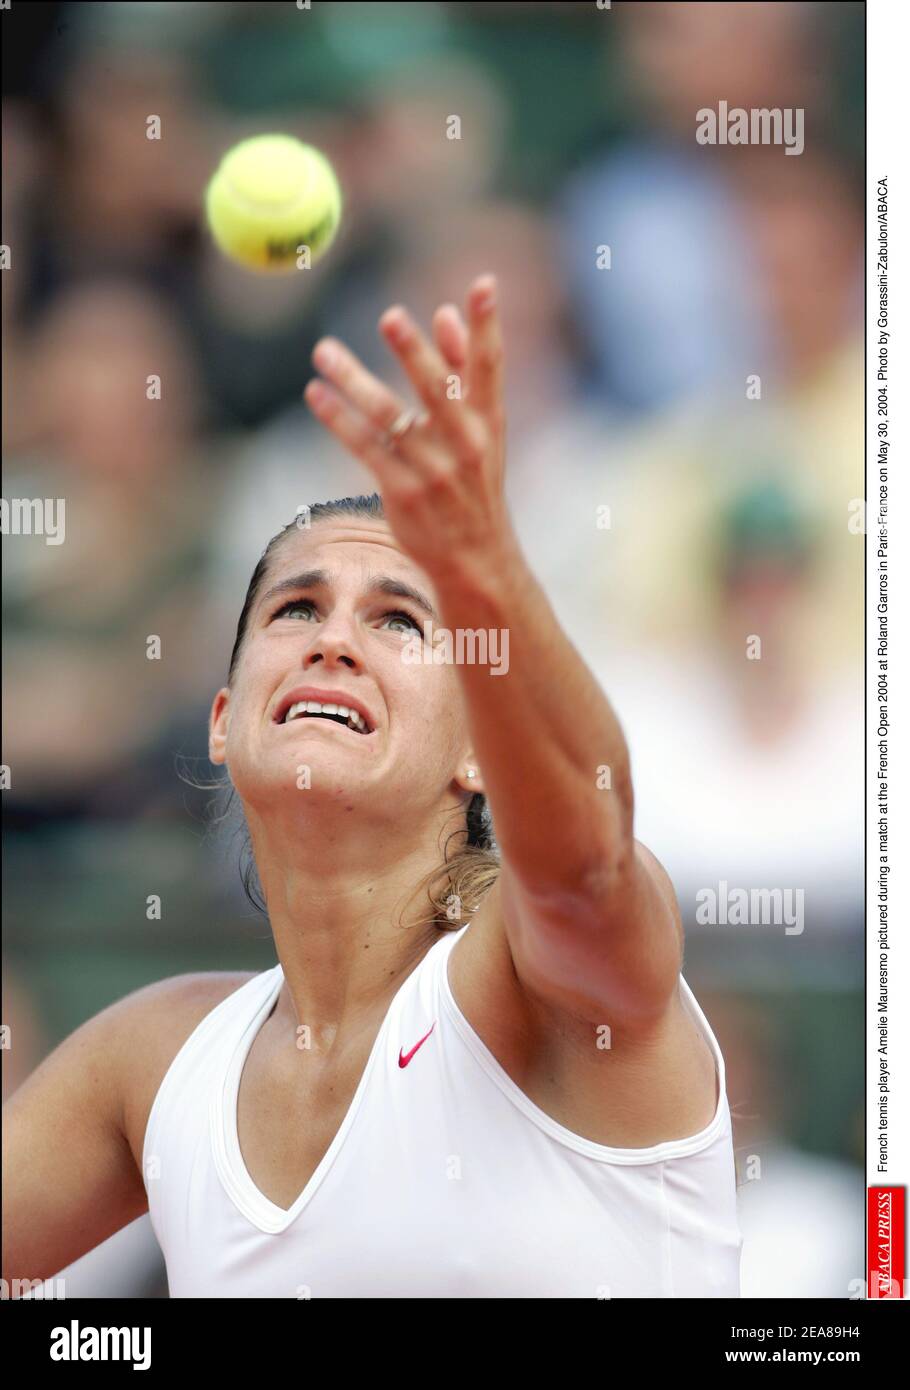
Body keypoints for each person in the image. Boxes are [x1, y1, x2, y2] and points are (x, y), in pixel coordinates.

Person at [2, 275, 742, 1298]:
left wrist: (486, 571)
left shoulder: (540, 978)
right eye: (296, 608)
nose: (336, 639)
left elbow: (585, 863)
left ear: (482, 744)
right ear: (223, 721)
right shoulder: (154, 1058)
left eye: (397, 619)